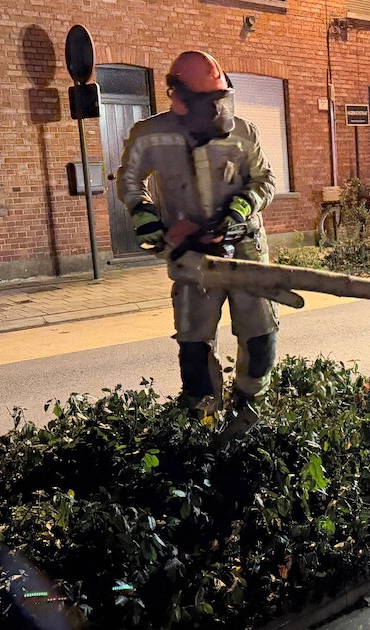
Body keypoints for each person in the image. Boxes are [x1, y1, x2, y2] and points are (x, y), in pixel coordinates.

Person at [116, 51, 277, 437]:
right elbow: (128, 180)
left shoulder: (244, 133)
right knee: (193, 341)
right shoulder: (150, 135)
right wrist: (147, 219)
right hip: (191, 257)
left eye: (223, 99)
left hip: (246, 252)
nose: (219, 110)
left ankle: (249, 414)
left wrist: (236, 212)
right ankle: (202, 423)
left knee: (259, 336)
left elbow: (265, 181)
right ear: (178, 97)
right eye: (209, 103)